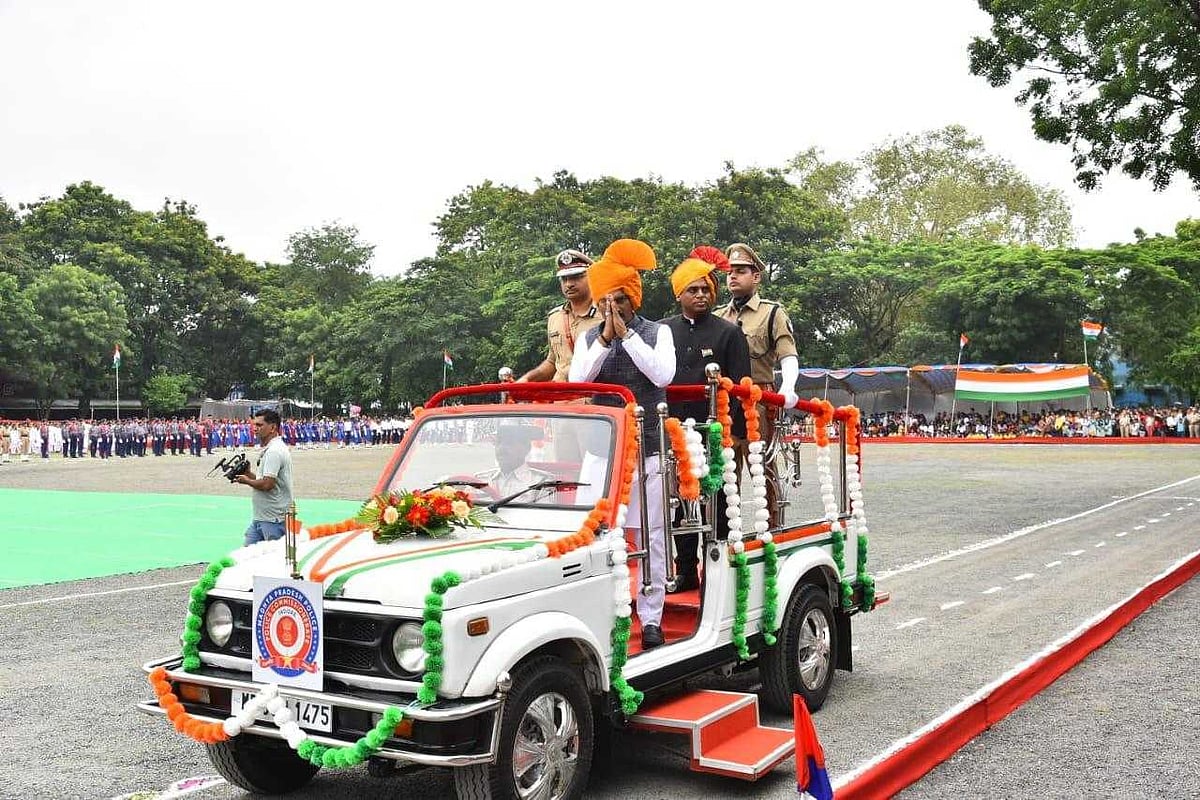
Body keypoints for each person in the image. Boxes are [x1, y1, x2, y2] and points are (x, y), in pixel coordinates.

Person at [570, 238, 676, 649]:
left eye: (619, 300)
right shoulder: (588, 339)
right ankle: (607, 614)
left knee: (650, 535)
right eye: (604, 302)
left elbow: (661, 375)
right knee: (599, 536)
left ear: (633, 299)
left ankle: (651, 617)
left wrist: (628, 335)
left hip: (649, 451)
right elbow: (579, 380)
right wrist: (605, 339)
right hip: (602, 455)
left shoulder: (657, 332)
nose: (611, 309)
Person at [661, 246, 751, 591]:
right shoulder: (663, 331)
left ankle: (720, 572)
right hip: (676, 434)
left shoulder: (728, 333)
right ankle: (685, 571)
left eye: (706, 290)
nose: (701, 295)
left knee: (721, 499)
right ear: (679, 294)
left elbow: (742, 386)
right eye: (693, 290)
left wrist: (739, 435)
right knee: (683, 503)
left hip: (716, 432)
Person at [714, 243, 800, 528]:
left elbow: (787, 355)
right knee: (726, 472)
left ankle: (774, 530)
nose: (733, 277)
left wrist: (787, 389)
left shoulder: (772, 313)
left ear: (757, 276)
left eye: (741, 271)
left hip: (759, 400)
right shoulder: (717, 317)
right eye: (729, 272)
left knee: (763, 469)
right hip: (725, 403)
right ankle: (729, 532)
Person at [518, 249, 601, 383]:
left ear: (591, 276)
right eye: (564, 279)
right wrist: (527, 379)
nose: (569, 284)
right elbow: (553, 362)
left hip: (596, 398)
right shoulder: (555, 317)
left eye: (576, 277)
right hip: (561, 399)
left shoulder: (606, 314)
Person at [235, 409, 294, 546]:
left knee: (275, 559)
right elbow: (268, 480)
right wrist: (249, 474)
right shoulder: (271, 448)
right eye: (254, 425)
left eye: (259, 425)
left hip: (273, 518)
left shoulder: (274, 451)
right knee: (247, 556)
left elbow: (268, 484)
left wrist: (247, 481)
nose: (255, 429)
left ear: (273, 427)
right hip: (262, 516)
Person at [475, 424, 555, 499]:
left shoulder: (542, 481)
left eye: (509, 443)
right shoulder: (481, 480)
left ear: (526, 448)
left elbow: (543, 513)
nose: (501, 448)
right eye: (498, 443)